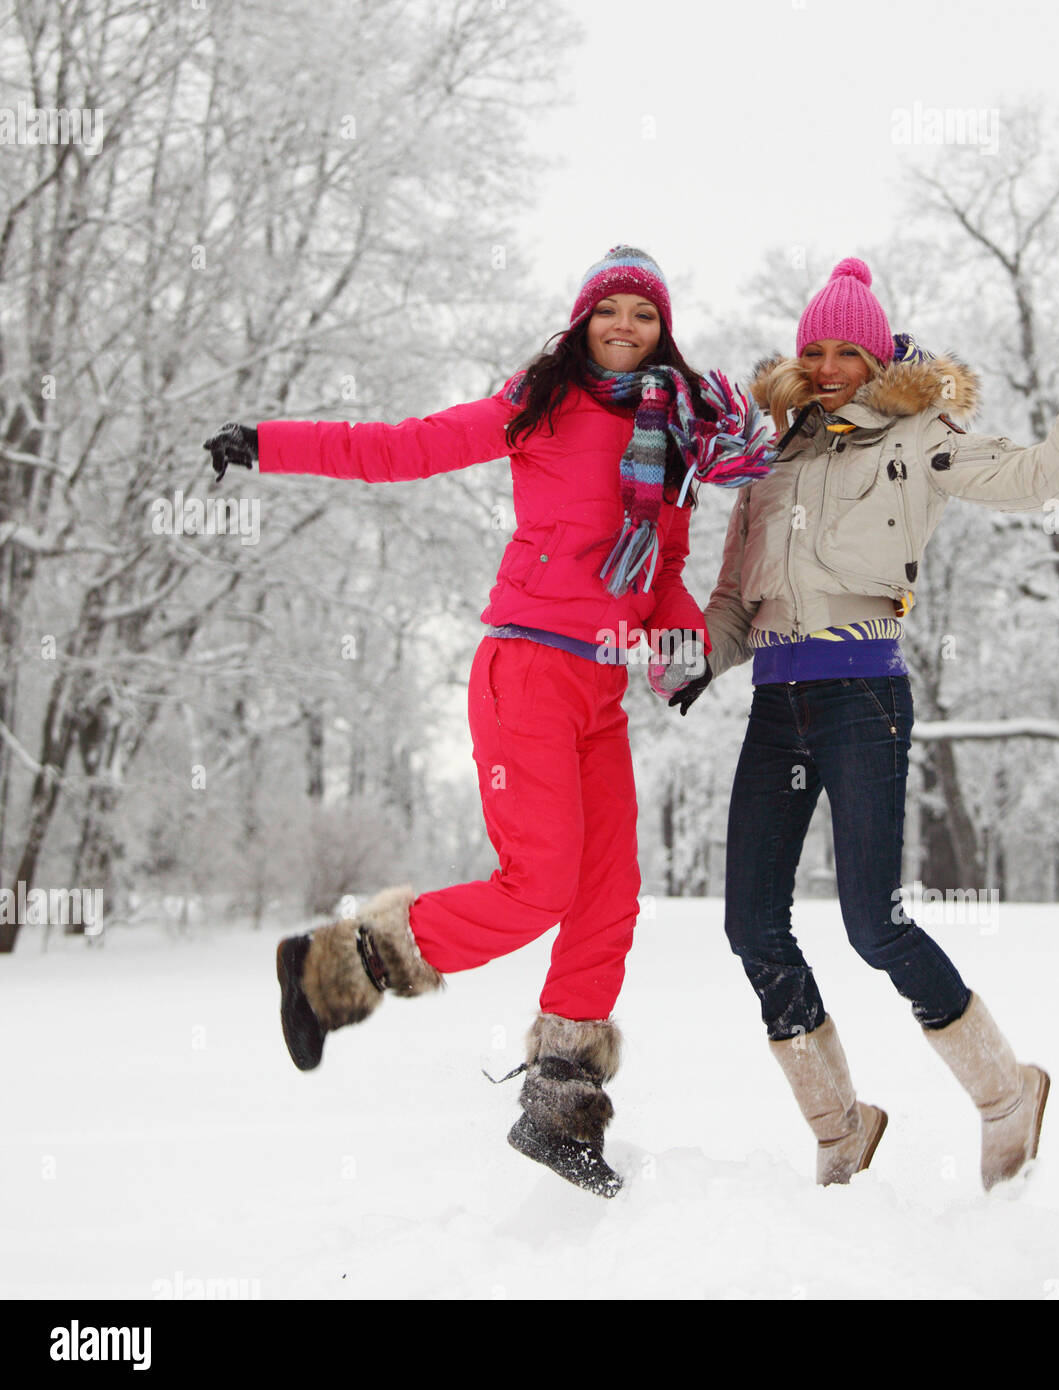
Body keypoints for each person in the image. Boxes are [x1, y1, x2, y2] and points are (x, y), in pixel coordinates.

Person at [202, 246, 774, 1196]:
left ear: (661, 329)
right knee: (538, 884)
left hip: (599, 690)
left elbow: (661, 572)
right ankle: (331, 965)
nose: (625, 327)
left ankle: (562, 1105)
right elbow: (401, 447)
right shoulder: (539, 403)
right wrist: (269, 442)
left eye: (644, 314)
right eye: (610, 310)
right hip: (527, 671)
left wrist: (683, 646)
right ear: (584, 319)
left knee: (608, 895)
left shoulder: (674, 431)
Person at [672, 257, 1059, 1189]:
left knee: (872, 924)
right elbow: (733, 601)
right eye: (814, 350)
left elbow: (1037, 477)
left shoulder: (918, 437)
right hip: (775, 705)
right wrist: (688, 653)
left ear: (878, 357)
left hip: (861, 698)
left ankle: (1006, 1091)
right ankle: (839, 1126)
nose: (828, 366)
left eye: (847, 350)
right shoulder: (769, 458)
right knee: (751, 925)